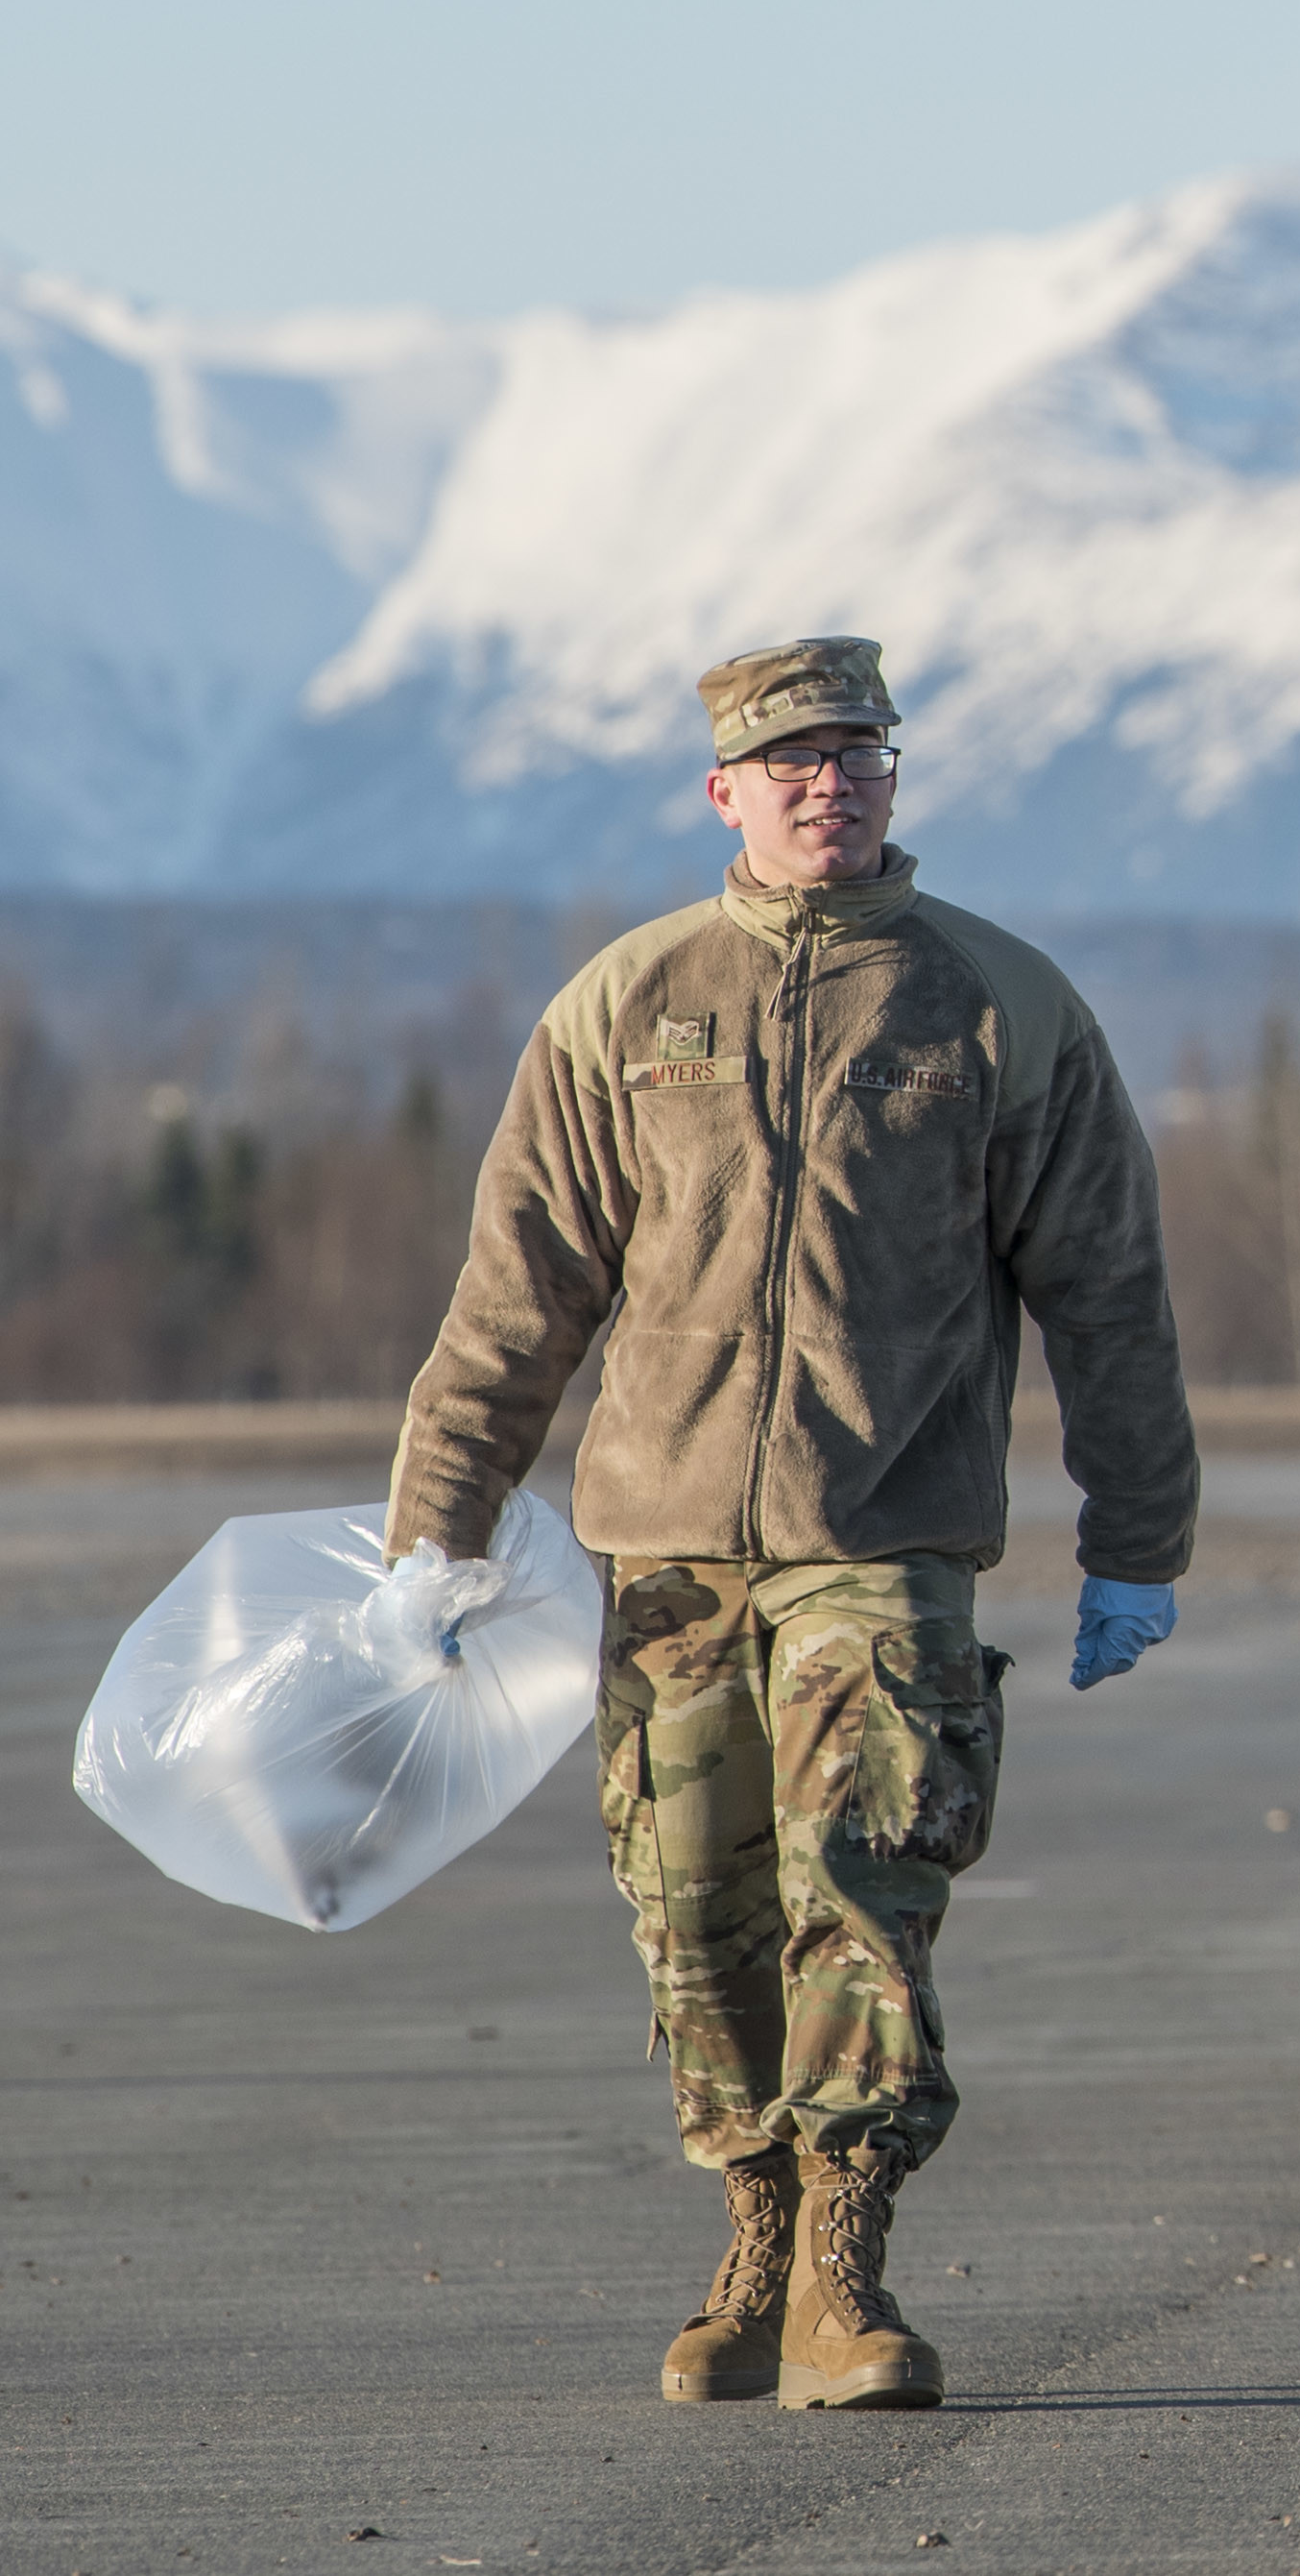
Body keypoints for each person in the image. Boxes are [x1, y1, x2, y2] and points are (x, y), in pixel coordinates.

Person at [378, 637, 1198, 2413]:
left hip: (880, 1535)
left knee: (864, 1878)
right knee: (693, 1913)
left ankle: (846, 2258)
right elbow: (516, 1299)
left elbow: (1110, 1296)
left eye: (862, 756)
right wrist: (433, 1535)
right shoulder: (628, 1005)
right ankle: (749, 2223)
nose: (832, 784)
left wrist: (1139, 1536)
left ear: (895, 780)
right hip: (663, 1551)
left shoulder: (997, 1007)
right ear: (725, 794)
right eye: (795, 761)